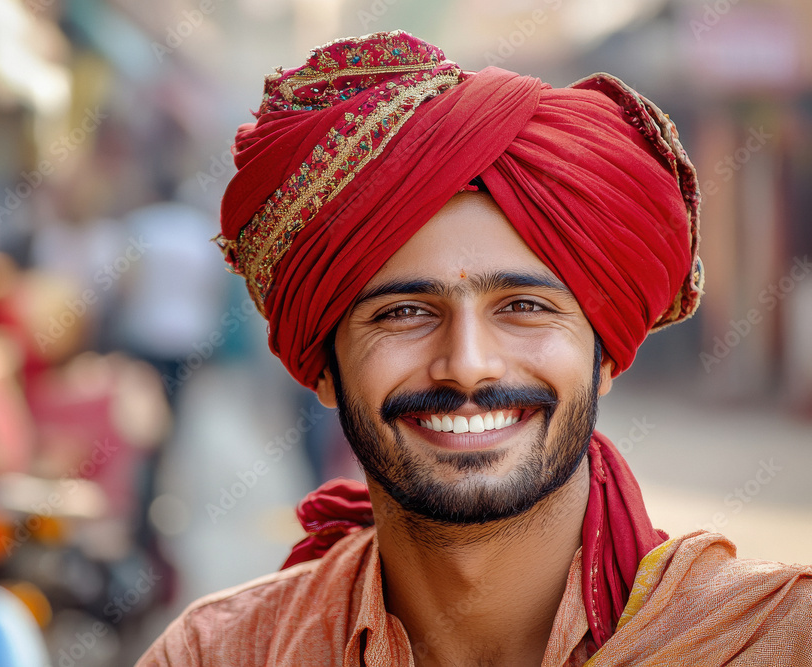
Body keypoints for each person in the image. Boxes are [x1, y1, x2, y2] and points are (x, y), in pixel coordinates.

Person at [137, 31, 812, 666]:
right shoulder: (221, 652)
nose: (466, 364)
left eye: (523, 307)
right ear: (323, 367)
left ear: (604, 354)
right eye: (403, 312)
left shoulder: (771, 638)